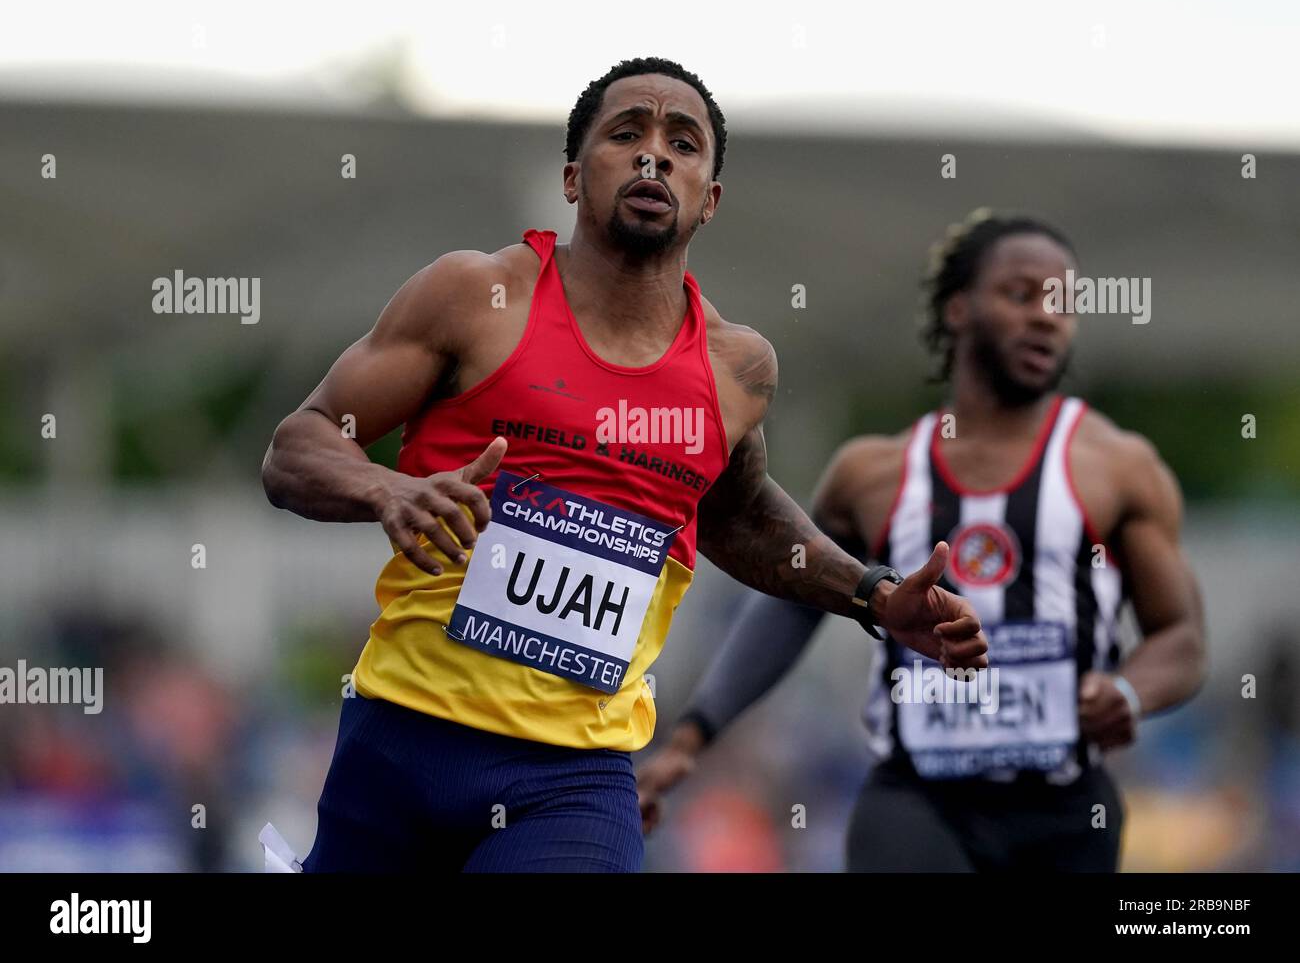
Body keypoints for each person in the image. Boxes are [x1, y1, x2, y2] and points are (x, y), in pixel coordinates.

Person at [260, 58, 988, 872]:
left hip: (575, 773)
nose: (654, 157)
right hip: (402, 739)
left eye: (683, 143)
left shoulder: (736, 369)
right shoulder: (472, 297)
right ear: (573, 177)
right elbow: (299, 444)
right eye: (627, 134)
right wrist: (385, 488)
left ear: (709, 197)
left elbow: (736, 513)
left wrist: (873, 594)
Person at [638, 209, 1206, 871]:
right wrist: (692, 732)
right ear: (960, 308)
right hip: (915, 803)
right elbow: (794, 599)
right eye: (1022, 294)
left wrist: (1131, 691)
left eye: (1064, 302)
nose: (1048, 317)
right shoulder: (872, 474)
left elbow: (1183, 637)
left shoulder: (1121, 468)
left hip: (1066, 811)